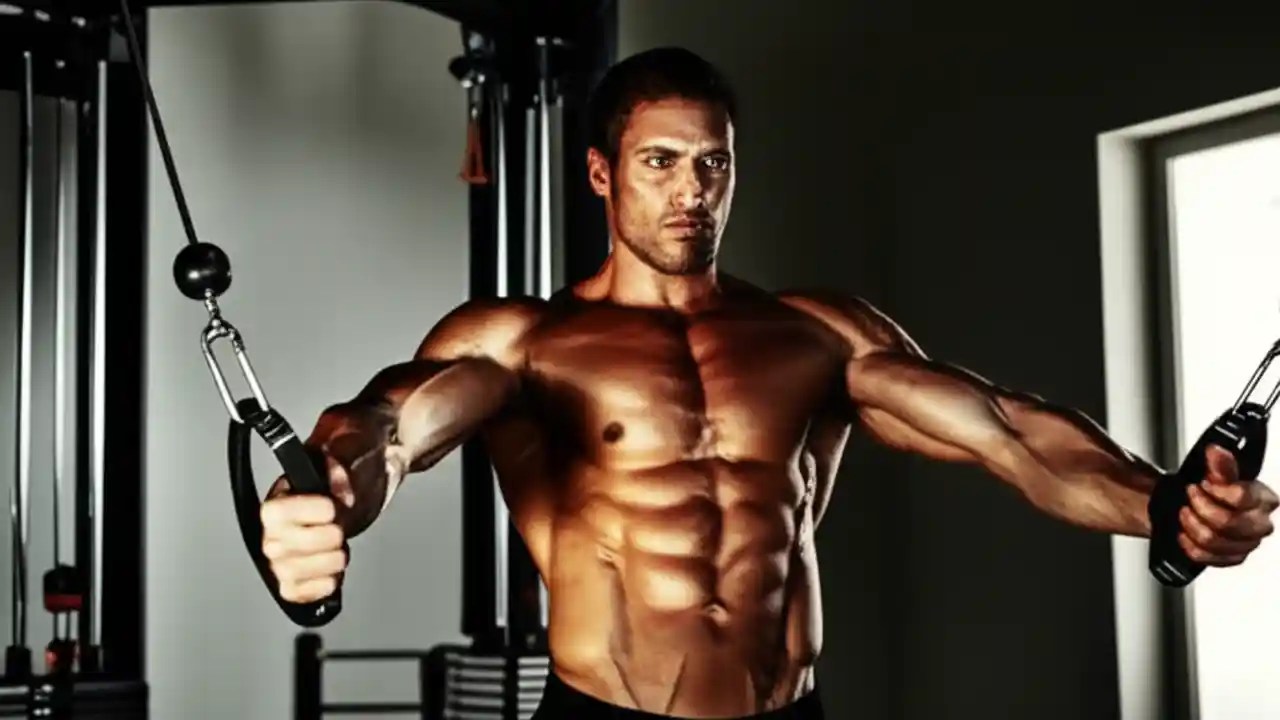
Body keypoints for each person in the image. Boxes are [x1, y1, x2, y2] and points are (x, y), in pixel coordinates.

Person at [257, 47, 1279, 720]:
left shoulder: (812, 333)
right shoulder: (527, 341)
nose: (691, 193)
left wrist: (1161, 503)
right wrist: (325, 494)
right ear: (602, 174)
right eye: (659, 164)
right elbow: (393, 425)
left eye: (713, 166)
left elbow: (1005, 434)